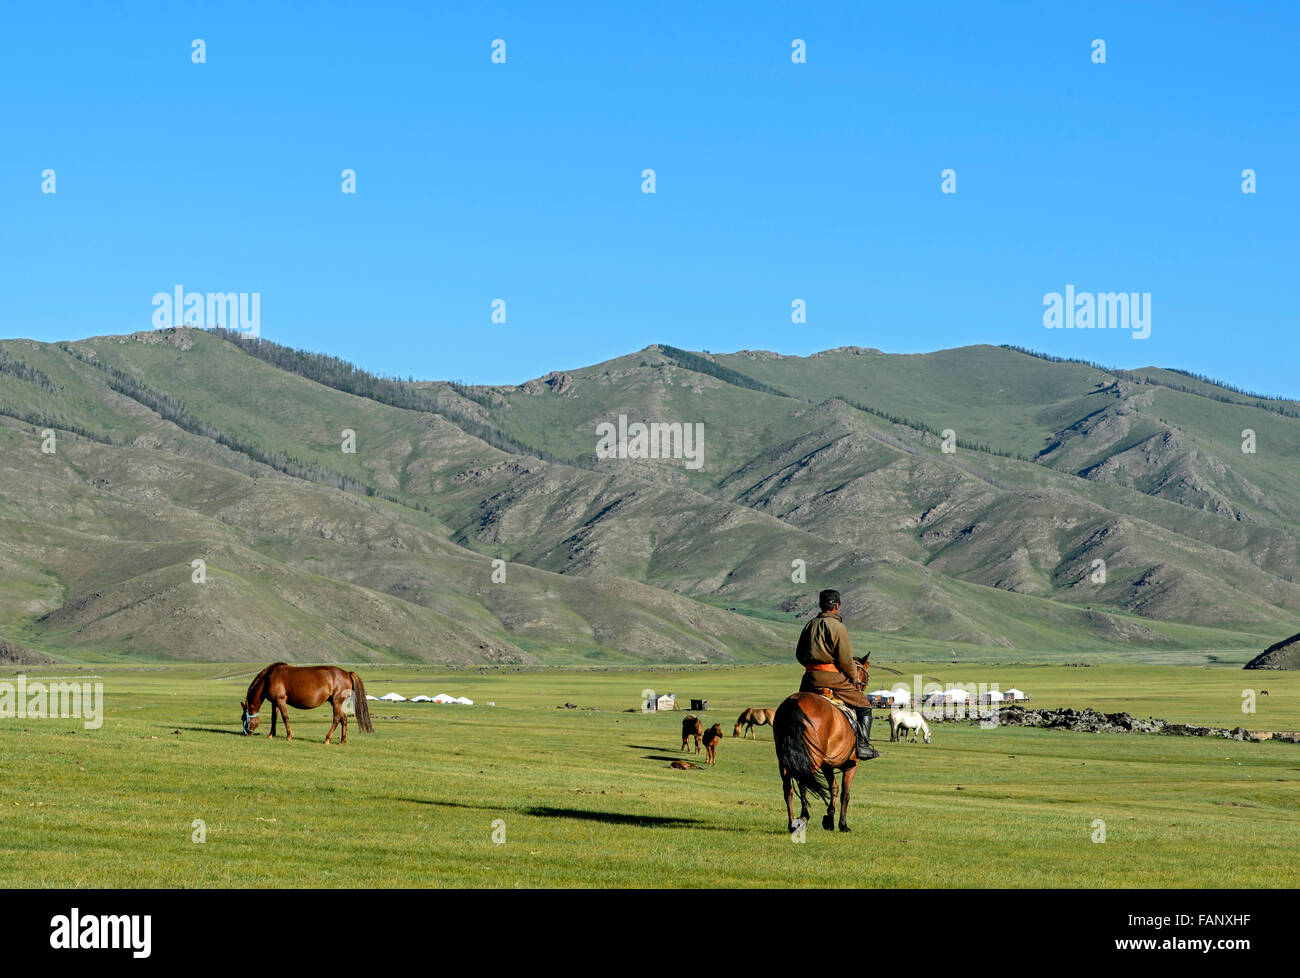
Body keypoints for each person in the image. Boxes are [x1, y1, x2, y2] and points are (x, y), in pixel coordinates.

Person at [795, 588, 879, 760]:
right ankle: (862, 746)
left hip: (809, 679)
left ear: (820, 605)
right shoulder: (838, 627)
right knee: (864, 706)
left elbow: (799, 654)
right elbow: (845, 659)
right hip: (832, 678)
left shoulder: (809, 625)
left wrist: (812, 666)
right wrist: (854, 676)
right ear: (837, 607)